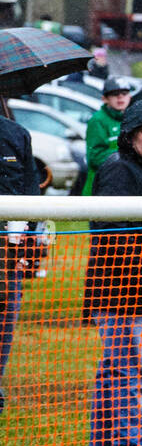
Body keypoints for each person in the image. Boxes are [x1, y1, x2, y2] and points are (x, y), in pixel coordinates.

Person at [83, 100, 142, 446]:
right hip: (122, 295)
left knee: (115, 373)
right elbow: (110, 235)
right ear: (131, 136)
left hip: (133, 295)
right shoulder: (120, 171)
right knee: (128, 374)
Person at [0, 103, 42, 417]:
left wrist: (25, 231)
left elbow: (32, 194)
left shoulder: (16, 134)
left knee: (3, 337)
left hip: (8, 256)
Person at [82, 77, 132, 195]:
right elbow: (95, 157)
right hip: (99, 187)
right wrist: (126, 154)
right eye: (114, 94)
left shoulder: (131, 118)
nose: (120, 97)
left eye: (124, 93)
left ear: (130, 96)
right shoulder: (97, 120)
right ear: (104, 98)